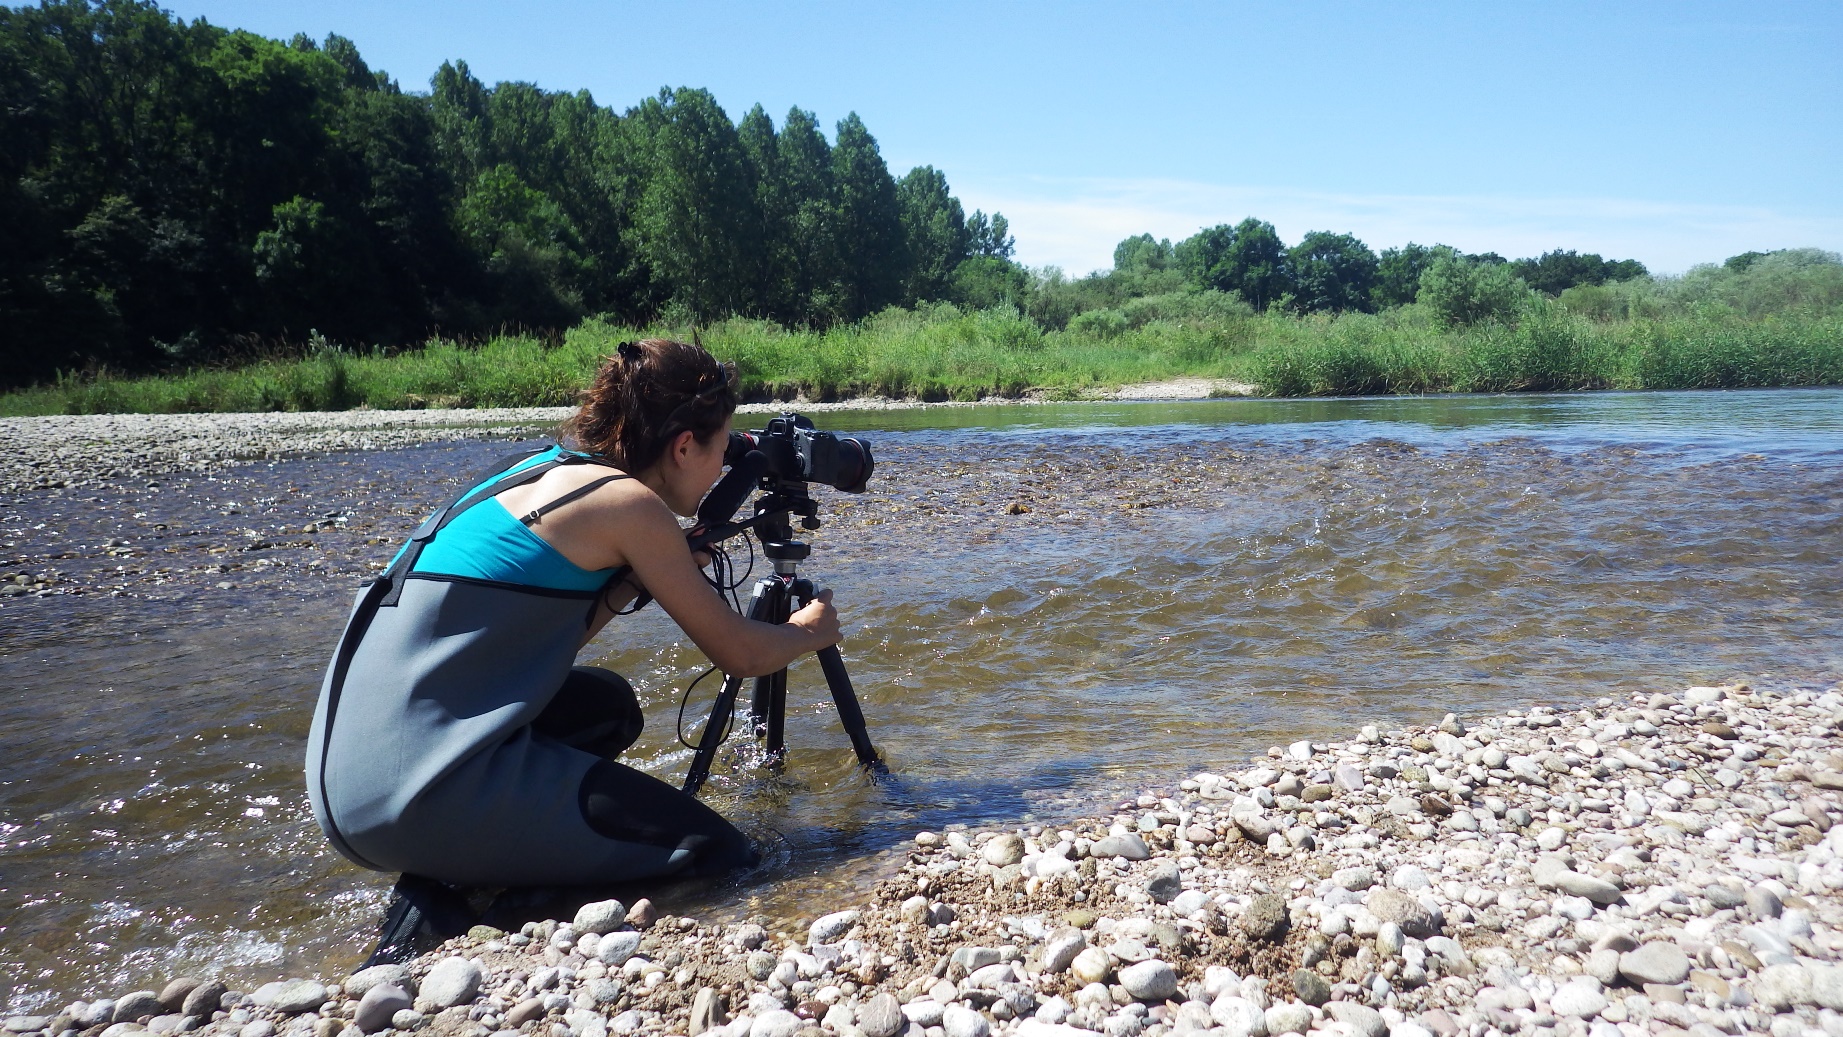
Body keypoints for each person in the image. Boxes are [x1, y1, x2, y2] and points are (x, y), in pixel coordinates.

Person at [305, 338, 841, 899]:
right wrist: (811, 629)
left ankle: (474, 859)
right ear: (684, 446)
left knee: (606, 707)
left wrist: (630, 581)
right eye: (722, 448)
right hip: (414, 792)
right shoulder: (630, 504)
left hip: (353, 785)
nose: (723, 466)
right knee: (718, 853)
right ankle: (455, 904)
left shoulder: (536, 470)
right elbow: (744, 655)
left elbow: (530, 643)